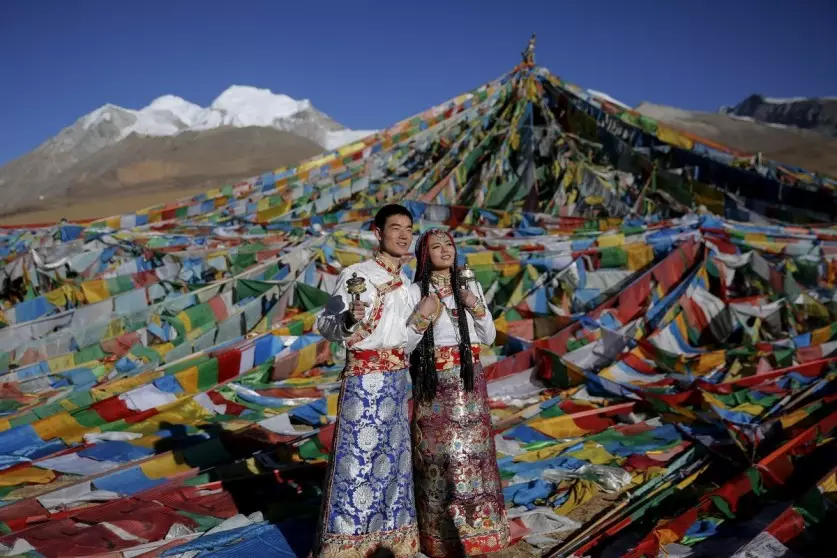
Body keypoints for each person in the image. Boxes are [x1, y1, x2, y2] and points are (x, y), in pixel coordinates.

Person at [313, 204, 419, 558]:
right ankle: (348, 544)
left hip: (396, 380)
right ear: (378, 232)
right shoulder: (357, 275)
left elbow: (408, 335)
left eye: (409, 229)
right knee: (357, 461)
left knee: (394, 462)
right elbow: (325, 324)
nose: (403, 235)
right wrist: (347, 319)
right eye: (396, 228)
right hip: (364, 378)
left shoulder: (408, 282)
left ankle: (391, 540)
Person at [406, 229, 509, 557]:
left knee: (474, 458)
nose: (444, 250)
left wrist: (474, 305)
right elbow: (406, 344)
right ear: (425, 256)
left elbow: (489, 337)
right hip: (433, 384)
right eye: (435, 247)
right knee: (439, 460)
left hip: (468, 383)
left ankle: (482, 530)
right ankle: (439, 535)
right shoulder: (414, 291)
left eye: (448, 244)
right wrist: (424, 316)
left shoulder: (470, 285)